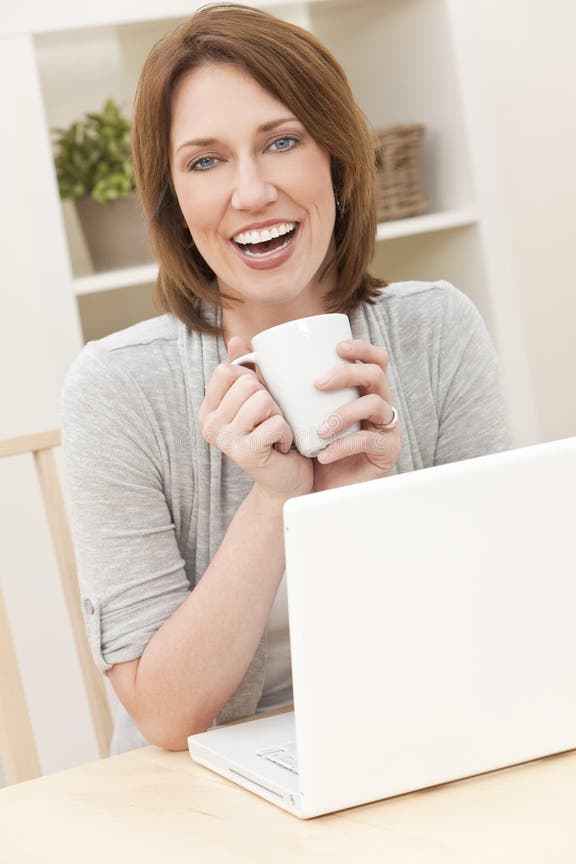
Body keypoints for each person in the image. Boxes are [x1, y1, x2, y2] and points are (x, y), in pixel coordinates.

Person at [60, 3, 510, 754]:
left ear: (335, 157)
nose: (252, 193)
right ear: (173, 203)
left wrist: (361, 502)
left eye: (281, 142)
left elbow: (498, 619)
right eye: (206, 161)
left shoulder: (436, 330)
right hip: (201, 794)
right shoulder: (116, 388)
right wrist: (276, 503)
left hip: (412, 741)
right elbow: (166, 718)